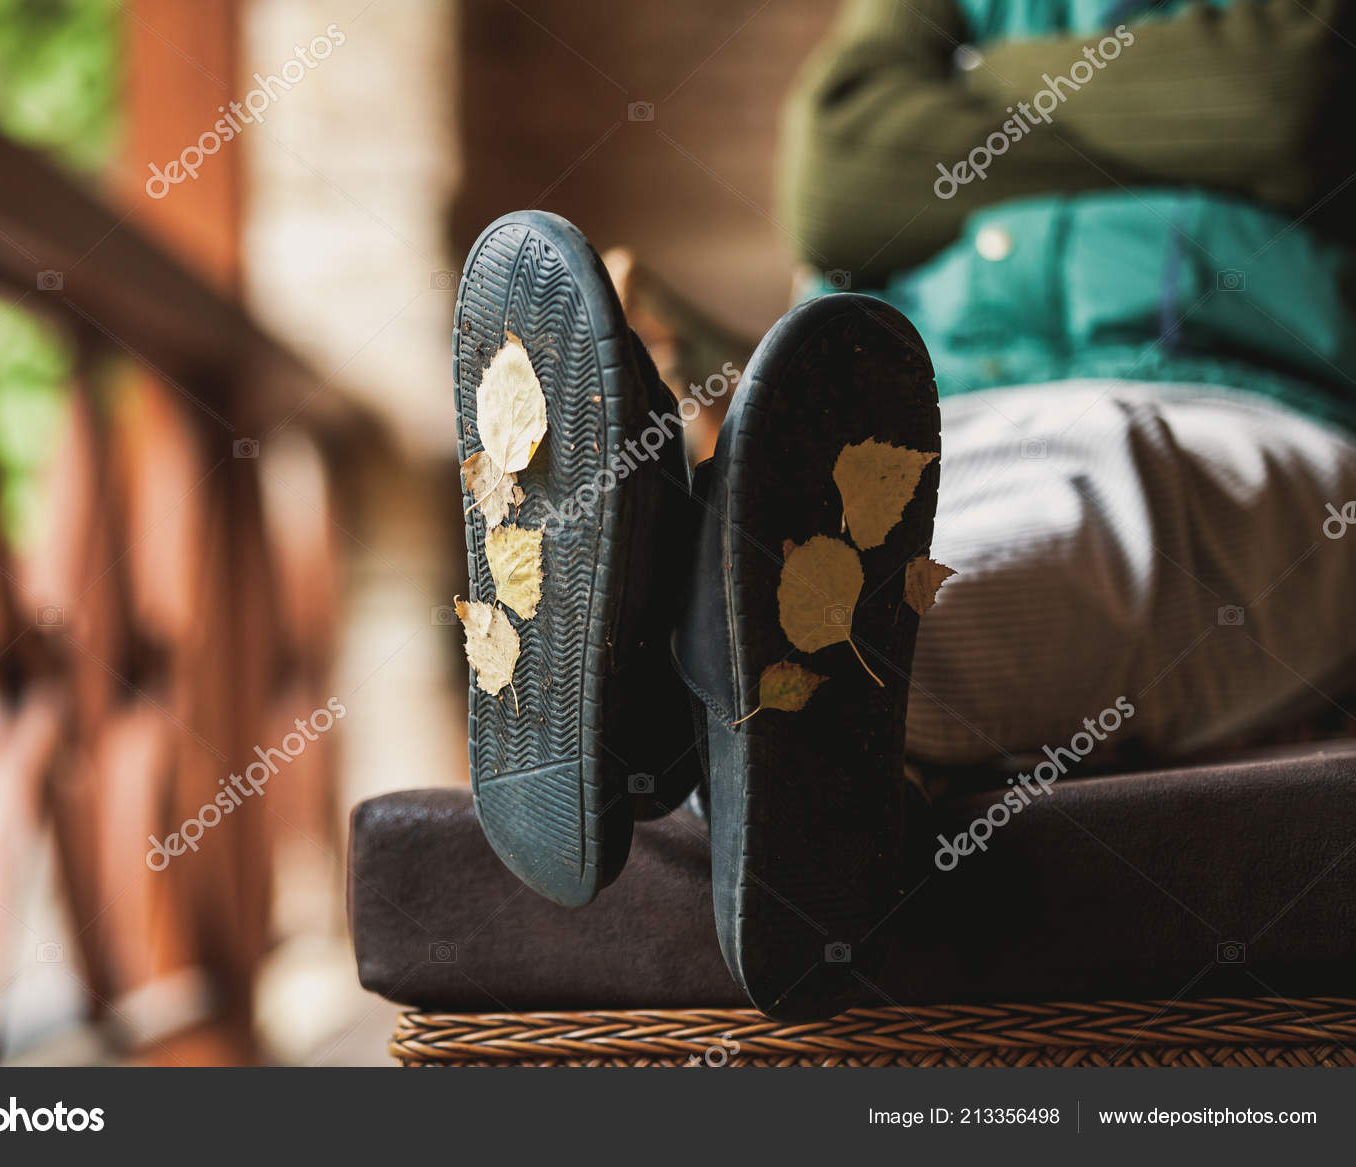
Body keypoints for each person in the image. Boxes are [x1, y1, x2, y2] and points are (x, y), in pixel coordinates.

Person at [450, 0, 1356, 1019]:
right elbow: (837, 172)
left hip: (1230, 416)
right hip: (911, 423)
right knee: (842, 529)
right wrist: (1144, 107)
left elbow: (1279, 100)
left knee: (1096, 507)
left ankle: (651, 682)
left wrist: (964, 92)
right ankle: (740, 700)